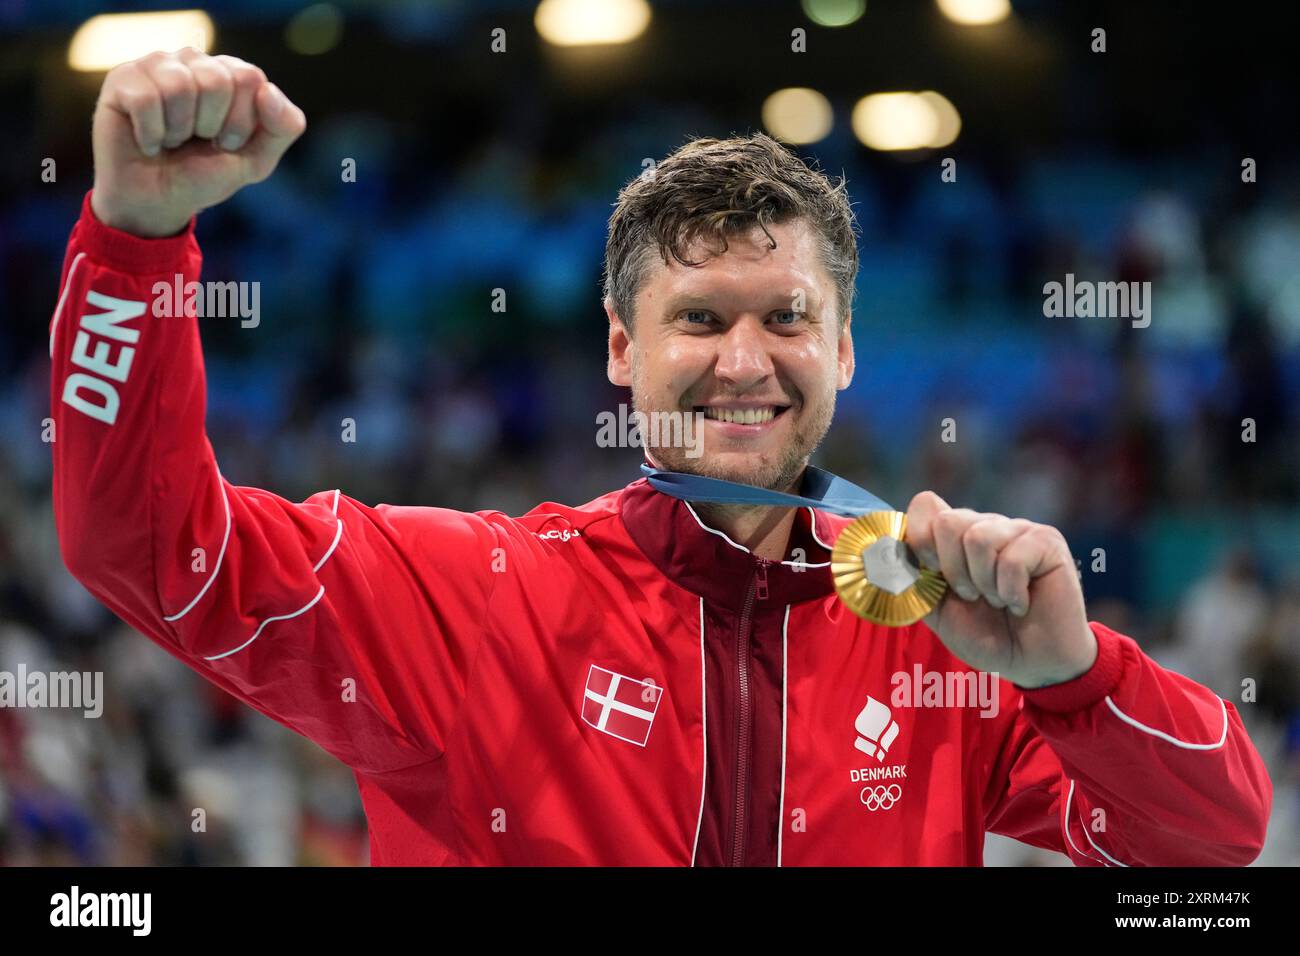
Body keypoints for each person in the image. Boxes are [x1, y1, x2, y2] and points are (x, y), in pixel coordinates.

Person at [50, 48, 1271, 866]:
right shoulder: (474, 598)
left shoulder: (939, 630)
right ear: (621, 351)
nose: (746, 358)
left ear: (846, 351)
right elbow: (151, 550)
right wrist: (136, 243)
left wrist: (1074, 672)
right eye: (699, 319)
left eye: (787, 317)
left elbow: (1213, 842)